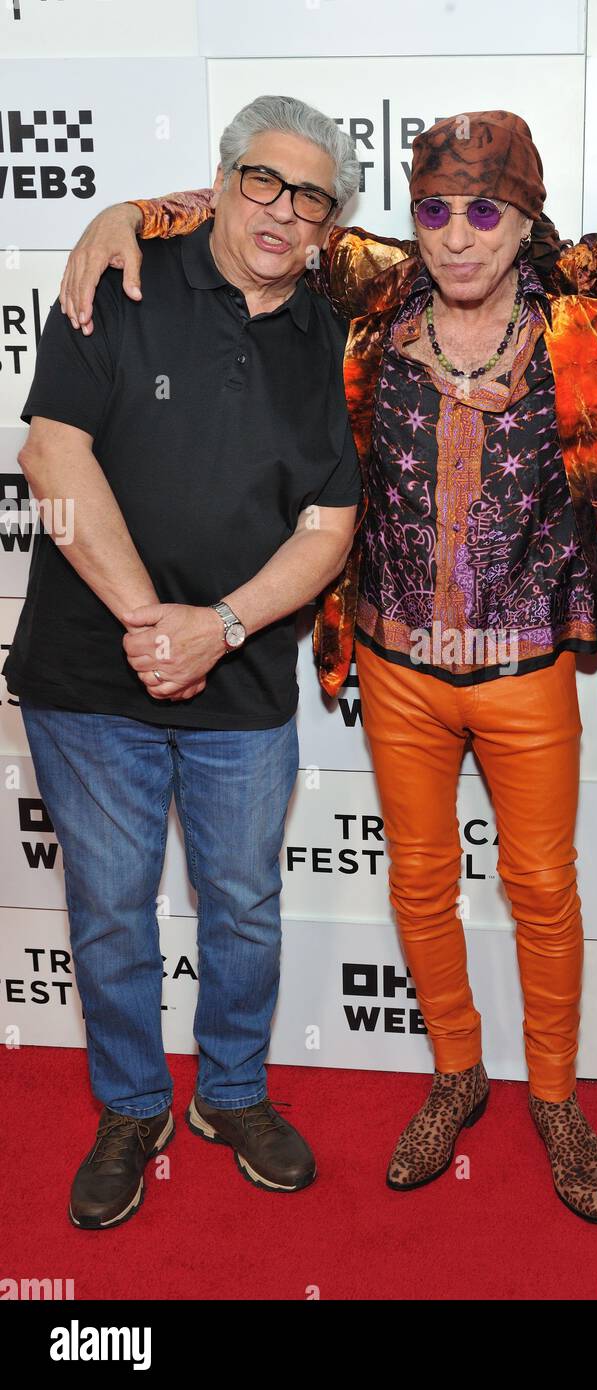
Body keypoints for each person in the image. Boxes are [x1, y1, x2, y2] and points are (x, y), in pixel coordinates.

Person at [55, 103, 597, 1224]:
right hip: (398, 664)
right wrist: (123, 216)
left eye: (485, 211)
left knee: (543, 888)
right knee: (418, 881)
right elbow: (252, 213)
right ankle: (457, 1074)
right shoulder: (367, 288)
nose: (457, 235)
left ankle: (555, 1099)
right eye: (433, 211)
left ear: (526, 221)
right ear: (407, 223)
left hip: (524, 668)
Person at [2, 94, 362, 1229]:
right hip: (87, 676)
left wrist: (226, 626)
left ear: (327, 224)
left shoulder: (330, 333)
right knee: (110, 908)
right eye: (262, 180)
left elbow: (330, 521)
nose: (282, 209)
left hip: (243, 677)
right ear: (219, 180)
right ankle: (131, 1107)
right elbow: (51, 452)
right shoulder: (121, 281)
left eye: (309, 197)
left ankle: (235, 1094)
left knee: (244, 905)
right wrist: (155, 620)